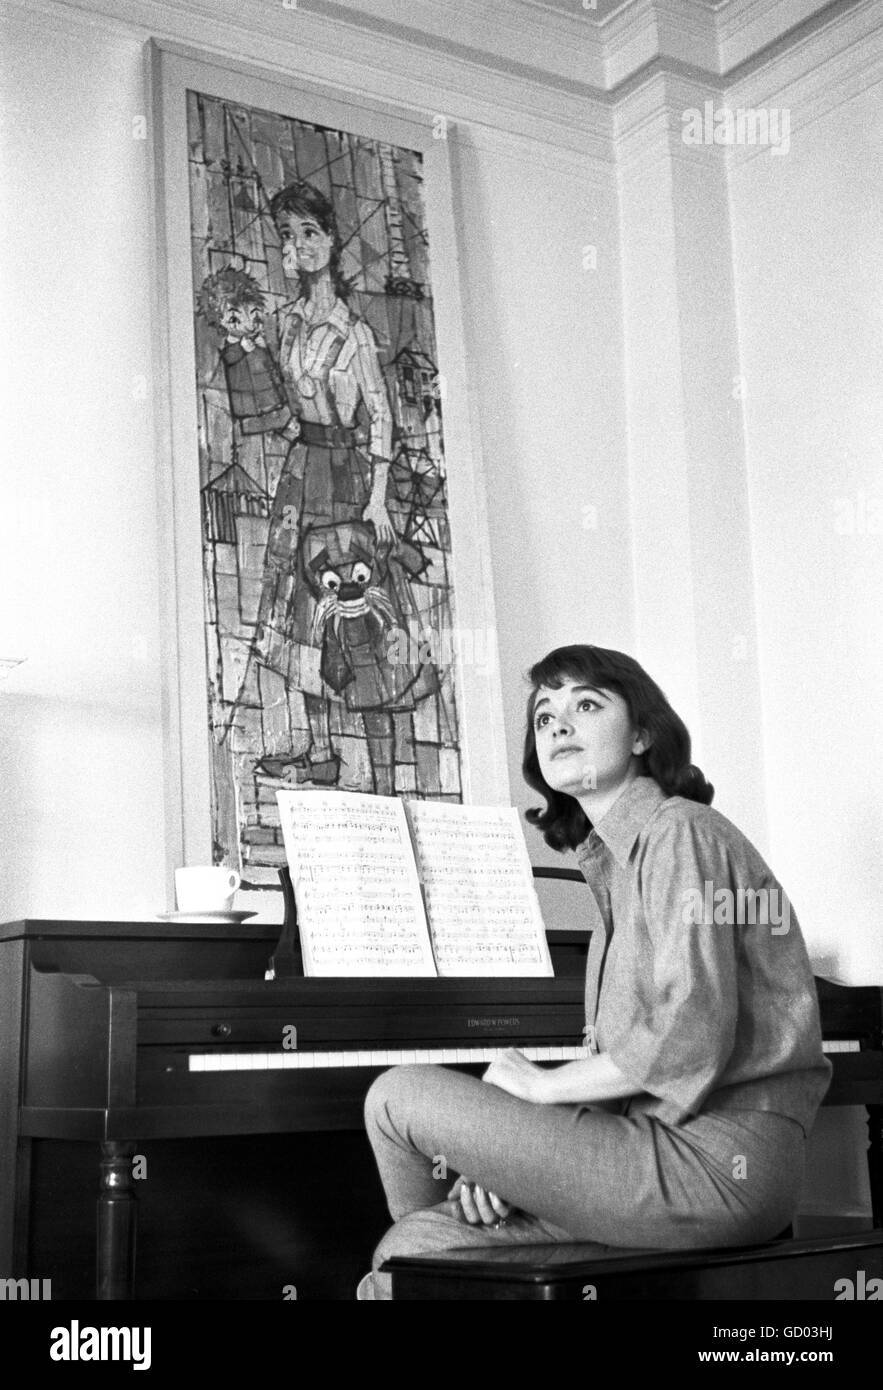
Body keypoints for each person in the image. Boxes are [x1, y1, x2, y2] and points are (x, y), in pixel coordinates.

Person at [356, 643, 832, 1298]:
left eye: (585, 704)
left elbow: (688, 1037)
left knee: (396, 1094)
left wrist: (534, 1091)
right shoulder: (613, 867)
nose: (557, 723)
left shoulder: (677, 833)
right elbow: (629, 1074)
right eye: (543, 714)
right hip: (642, 1153)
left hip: (714, 1167)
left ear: (641, 733)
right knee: (415, 1249)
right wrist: (504, 1159)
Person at [250, 179, 436, 793]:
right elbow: (283, 403)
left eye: (309, 233)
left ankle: (384, 771)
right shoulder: (287, 323)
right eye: (287, 236)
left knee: (359, 607)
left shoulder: (351, 330)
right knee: (297, 604)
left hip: (348, 475)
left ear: (330, 241)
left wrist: (379, 496)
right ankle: (316, 747)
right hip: (302, 471)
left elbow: (381, 413)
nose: (298, 247)